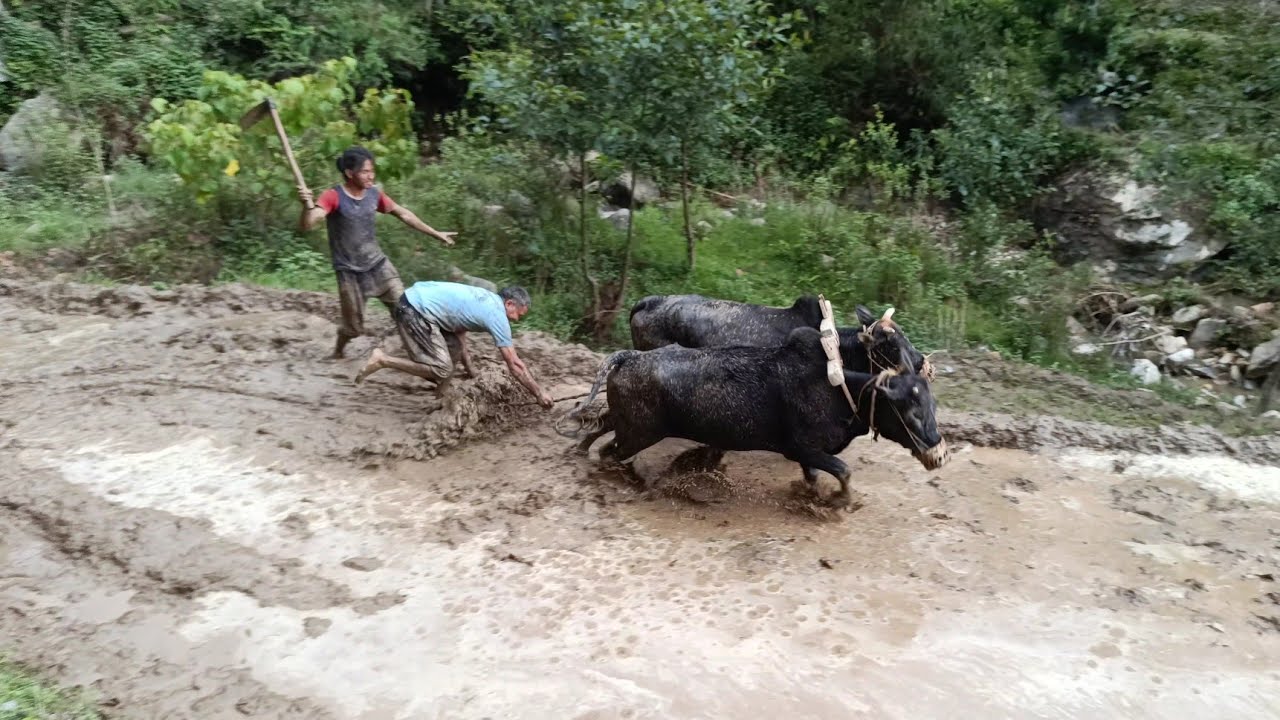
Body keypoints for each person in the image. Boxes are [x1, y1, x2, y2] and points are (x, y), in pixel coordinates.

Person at [298, 146, 457, 358]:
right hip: (349, 273)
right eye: (365, 171)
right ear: (349, 173)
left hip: (379, 266)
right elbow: (309, 223)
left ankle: (425, 356)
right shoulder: (333, 196)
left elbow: (404, 214)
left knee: (406, 310)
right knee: (354, 328)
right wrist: (305, 207)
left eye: (372, 170)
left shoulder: (374, 194)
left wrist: (435, 233)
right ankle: (338, 350)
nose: (370, 175)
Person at [355, 281, 556, 410]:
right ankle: (383, 360)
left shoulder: (485, 299)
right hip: (414, 310)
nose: (517, 319)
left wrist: (471, 370)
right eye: (519, 314)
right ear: (510, 304)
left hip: (417, 299)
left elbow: (459, 335)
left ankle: (440, 397)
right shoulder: (497, 315)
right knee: (442, 368)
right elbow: (514, 364)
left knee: (454, 350)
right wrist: (538, 393)